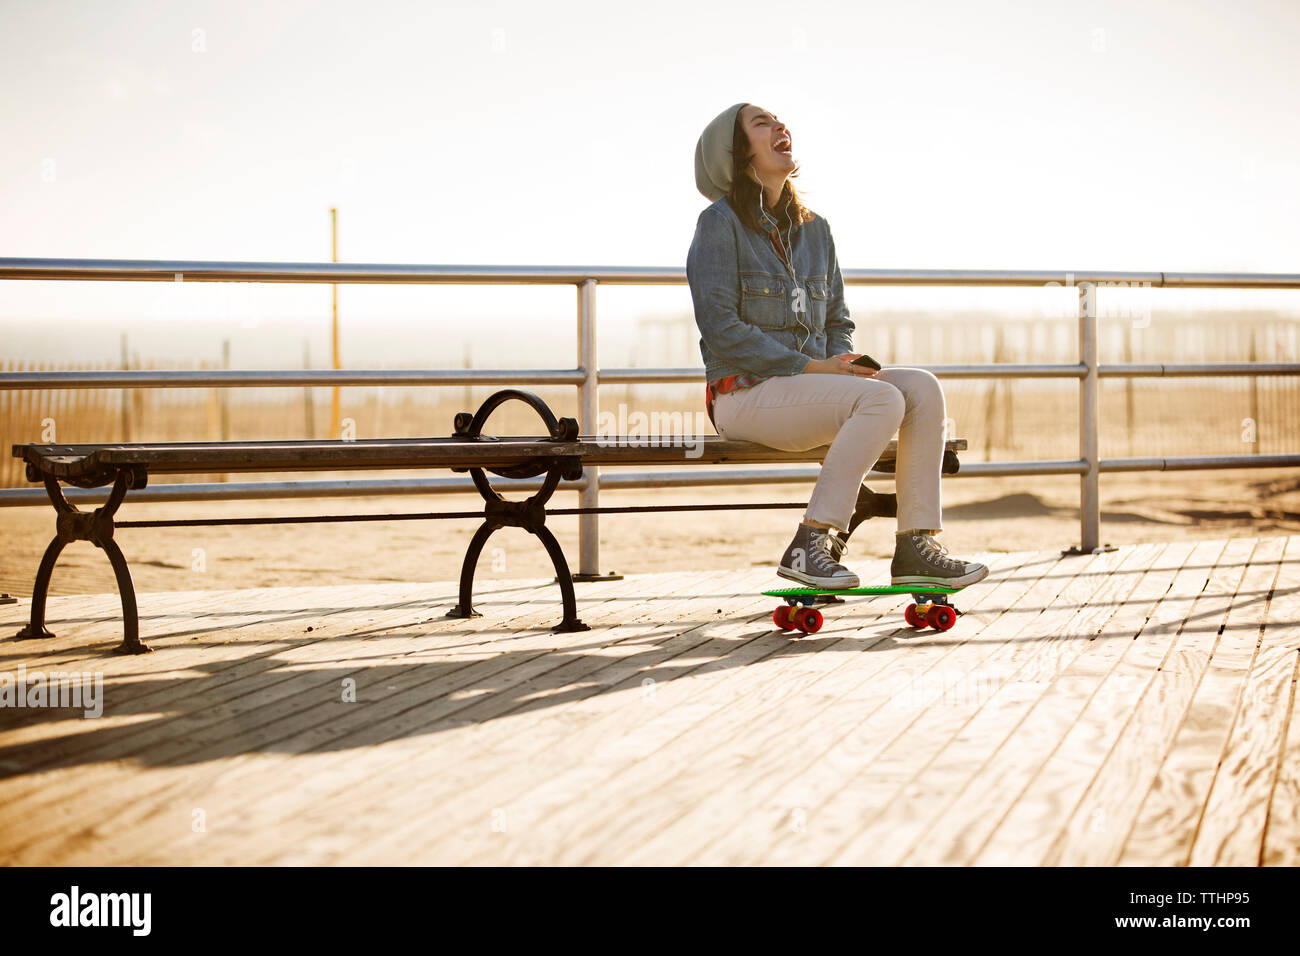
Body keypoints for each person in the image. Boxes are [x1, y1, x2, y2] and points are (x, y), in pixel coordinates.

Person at [686, 102, 989, 591]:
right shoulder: (718, 224)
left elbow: (837, 320)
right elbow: (722, 328)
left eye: (778, 119)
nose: (779, 126)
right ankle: (813, 542)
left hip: (812, 388)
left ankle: (916, 544)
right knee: (883, 397)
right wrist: (811, 367)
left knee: (920, 388)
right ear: (738, 152)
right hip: (744, 395)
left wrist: (843, 363)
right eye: (761, 124)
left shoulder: (816, 229)